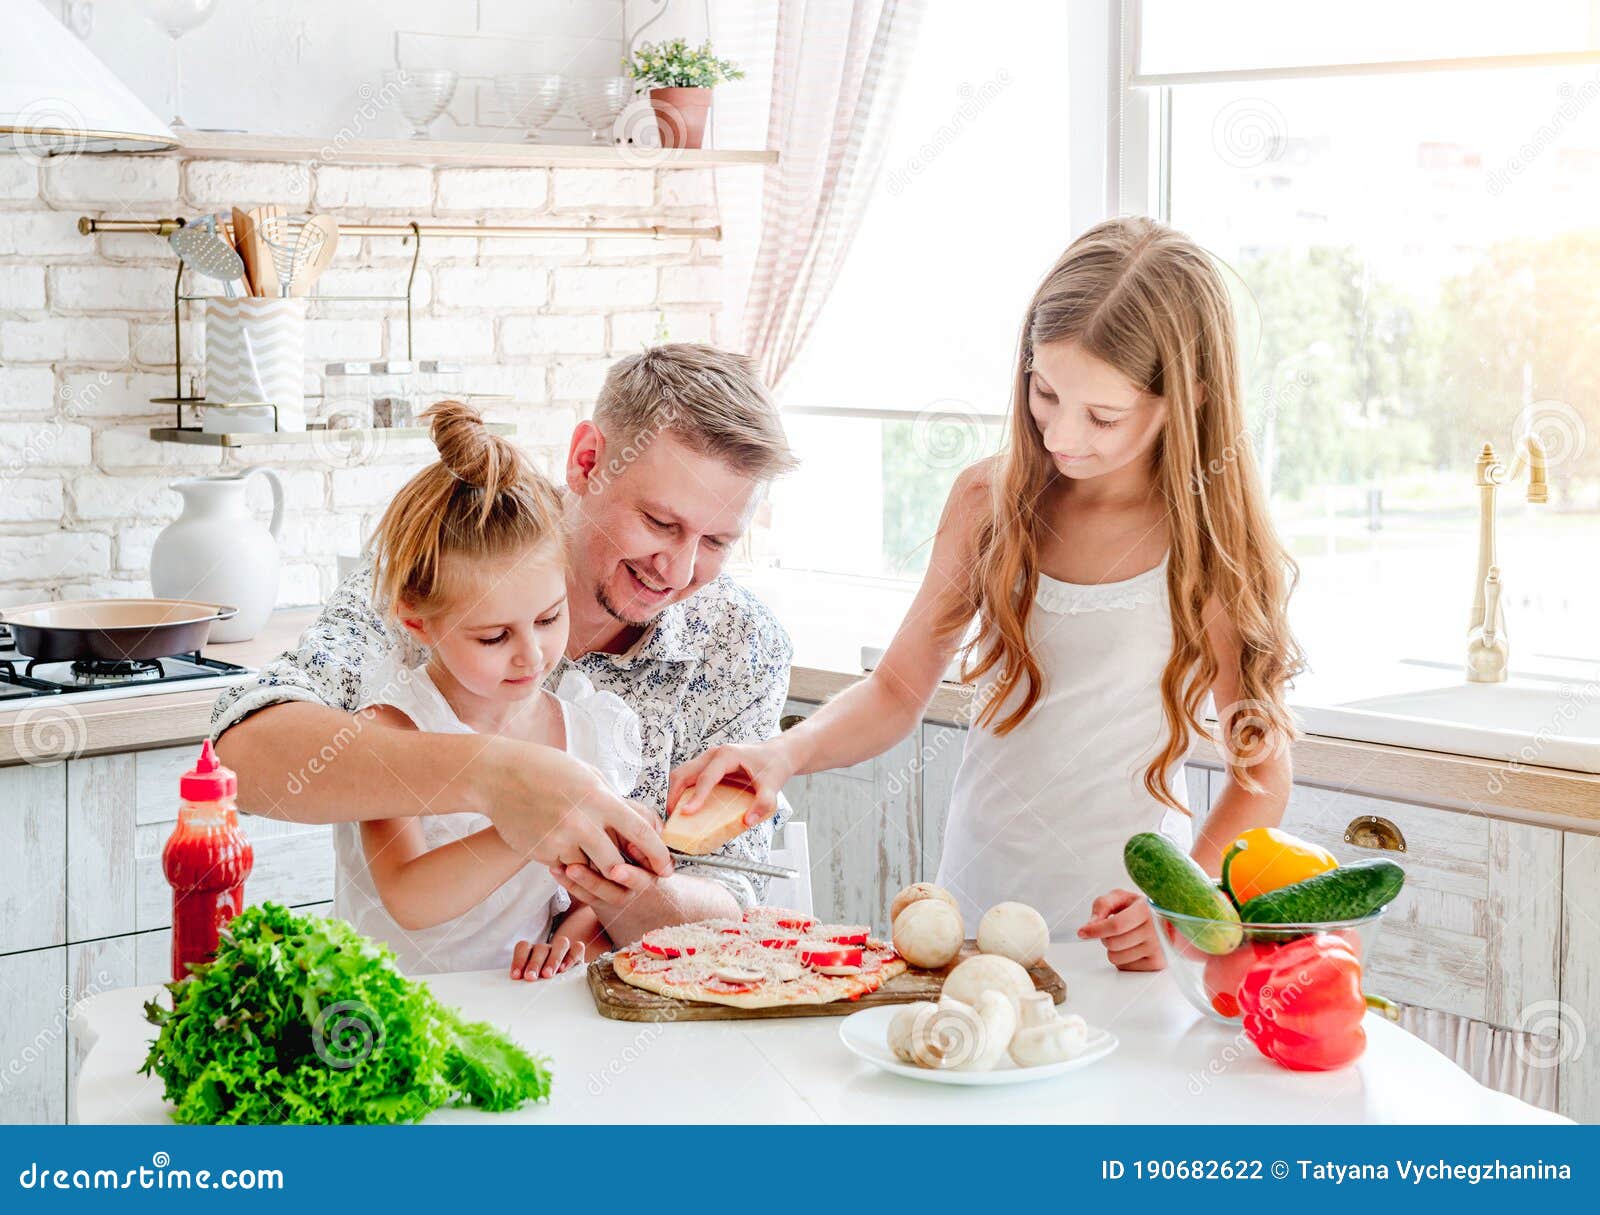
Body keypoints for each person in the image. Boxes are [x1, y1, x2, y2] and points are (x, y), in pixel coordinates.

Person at [671, 217, 1303, 971]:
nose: (1063, 433)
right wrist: (781, 753)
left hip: (1124, 933)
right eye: (1045, 392)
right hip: (971, 908)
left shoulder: (1211, 546)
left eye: (1102, 415)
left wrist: (1181, 905)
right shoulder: (989, 502)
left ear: (1188, 399)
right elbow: (897, 689)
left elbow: (1261, 771)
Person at [212, 344, 800, 945]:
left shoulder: (740, 645)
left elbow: (728, 898)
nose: (677, 571)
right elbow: (243, 757)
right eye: (661, 524)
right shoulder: (462, 548)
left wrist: (615, 900)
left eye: (717, 542)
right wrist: (496, 777)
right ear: (588, 460)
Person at [337, 401, 639, 978]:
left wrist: (571, 938)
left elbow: (589, 896)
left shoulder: (588, 727)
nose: (531, 654)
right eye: (495, 635)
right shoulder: (393, 730)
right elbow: (408, 897)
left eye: (549, 619)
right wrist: (534, 819)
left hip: (516, 1014)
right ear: (417, 621)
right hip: (385, 1018)